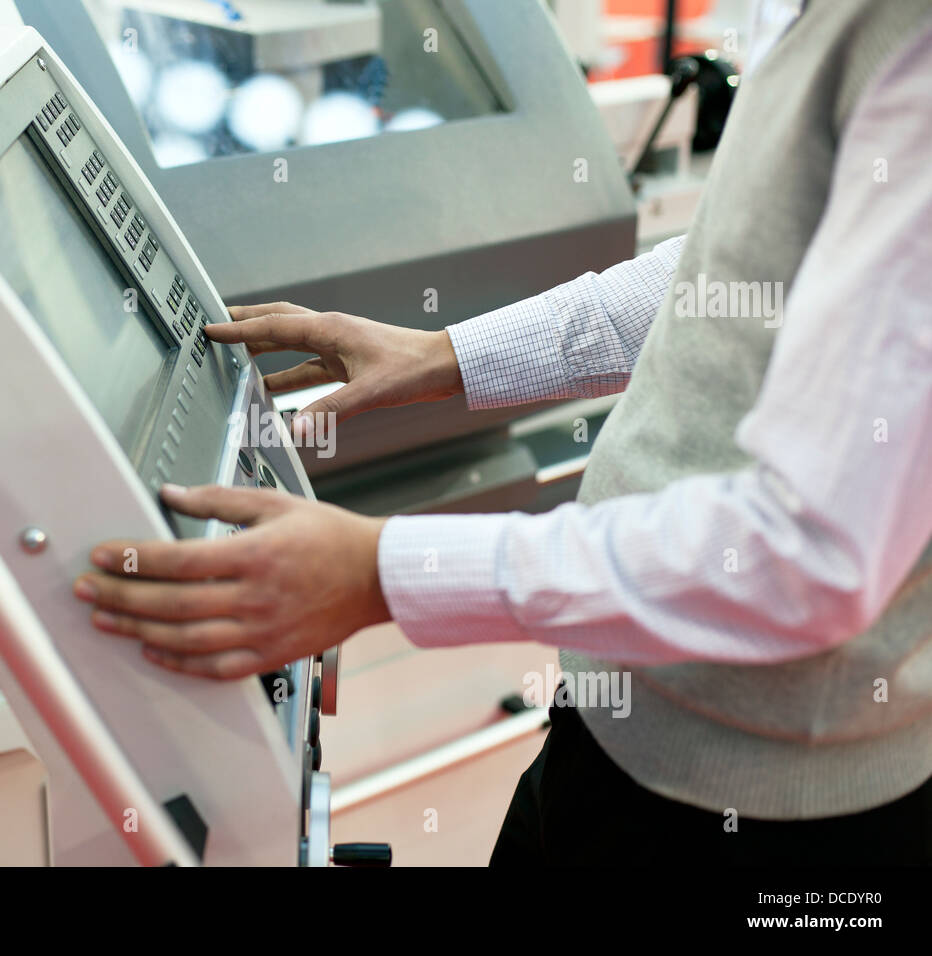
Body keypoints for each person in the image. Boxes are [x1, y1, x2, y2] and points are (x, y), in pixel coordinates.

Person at [73, 0, 932, 864]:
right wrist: (447, 354)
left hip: (768, 800)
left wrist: (384, 573)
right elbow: (739, 262)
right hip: (625, 711)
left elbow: (813, 553)